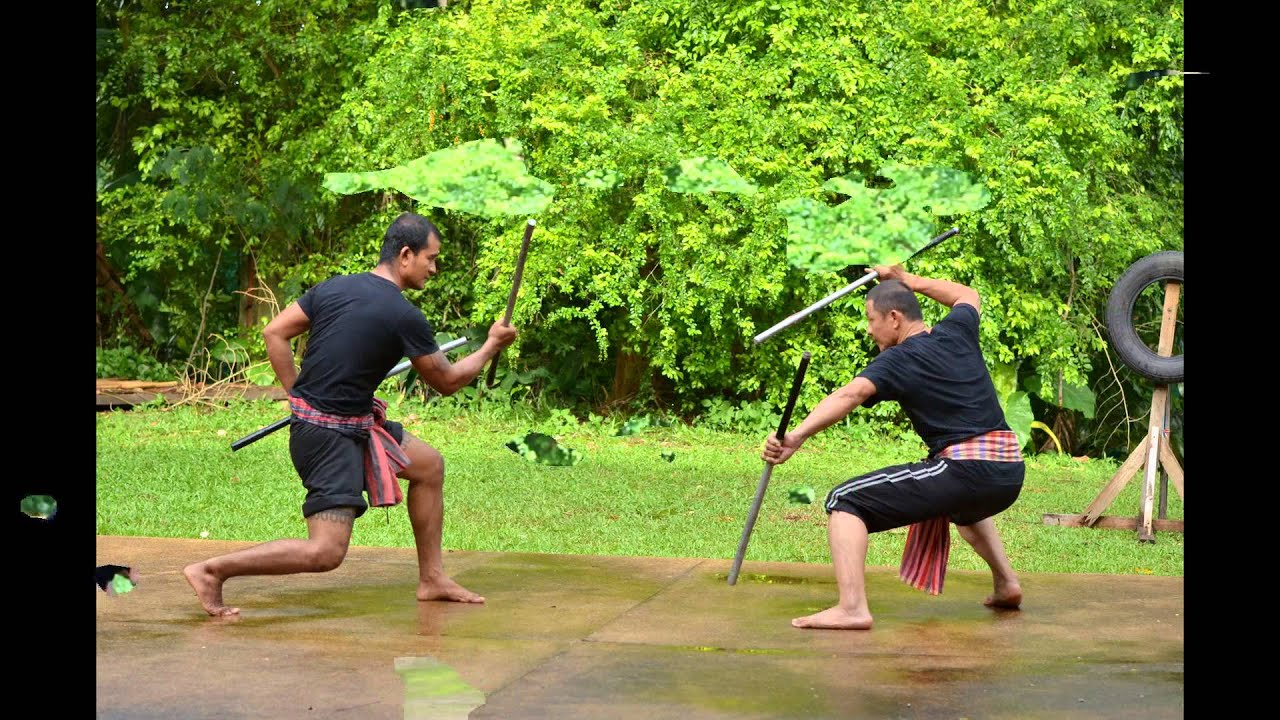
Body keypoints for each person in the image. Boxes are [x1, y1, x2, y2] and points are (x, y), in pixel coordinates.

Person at [184, 211, 518, 617]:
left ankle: (432, 579)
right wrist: (490, 347)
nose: (434, 268)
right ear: (406, 255)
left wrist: (298, 397)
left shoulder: (334, 288)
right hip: (327, 438)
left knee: (429, 467)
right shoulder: (403, 315)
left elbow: (275, 332)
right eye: (431, 259)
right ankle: (211, 571)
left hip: (354, 424)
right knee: (326, 551)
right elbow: (446, 382)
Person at [763, 263, 1024, 630]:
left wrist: (797, 436)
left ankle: (852, 608)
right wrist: (910, 280)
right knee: (965, 509)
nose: (869, 330)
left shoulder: (898, 360)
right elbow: (968, 295)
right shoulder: (955, 332)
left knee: (845, 500)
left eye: (872, 320)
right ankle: (1007, 584)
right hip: (1009, 472)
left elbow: (851, 393)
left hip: (968, 470)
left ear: (895, 318)